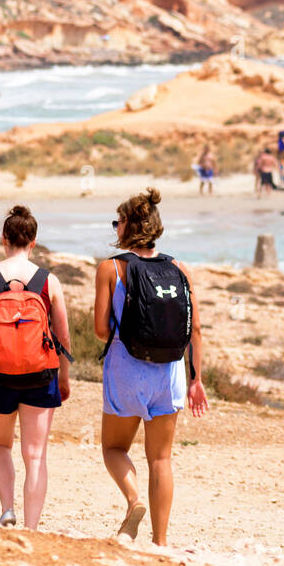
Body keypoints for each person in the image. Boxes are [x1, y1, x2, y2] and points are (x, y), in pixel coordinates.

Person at [94, 188, 209, 546]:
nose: (116, 227)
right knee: (160, 458)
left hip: (126, 371)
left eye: (119, 221)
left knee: (114, 449)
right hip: (171, 373)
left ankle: (134, 501)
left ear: (129, 227)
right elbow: (196, 330)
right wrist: (197, 380)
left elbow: (100, 331)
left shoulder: (111, 268)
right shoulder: (179, 268)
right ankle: (160, 544)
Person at [0, 205, 71, 530]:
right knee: (35, 454)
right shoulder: (48, 280)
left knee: (0, 444)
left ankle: (7, 509)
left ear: (3, 239)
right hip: (41, 375)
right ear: (33, 242)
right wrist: (64, 376)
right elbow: (64, 336)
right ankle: (32, 528)